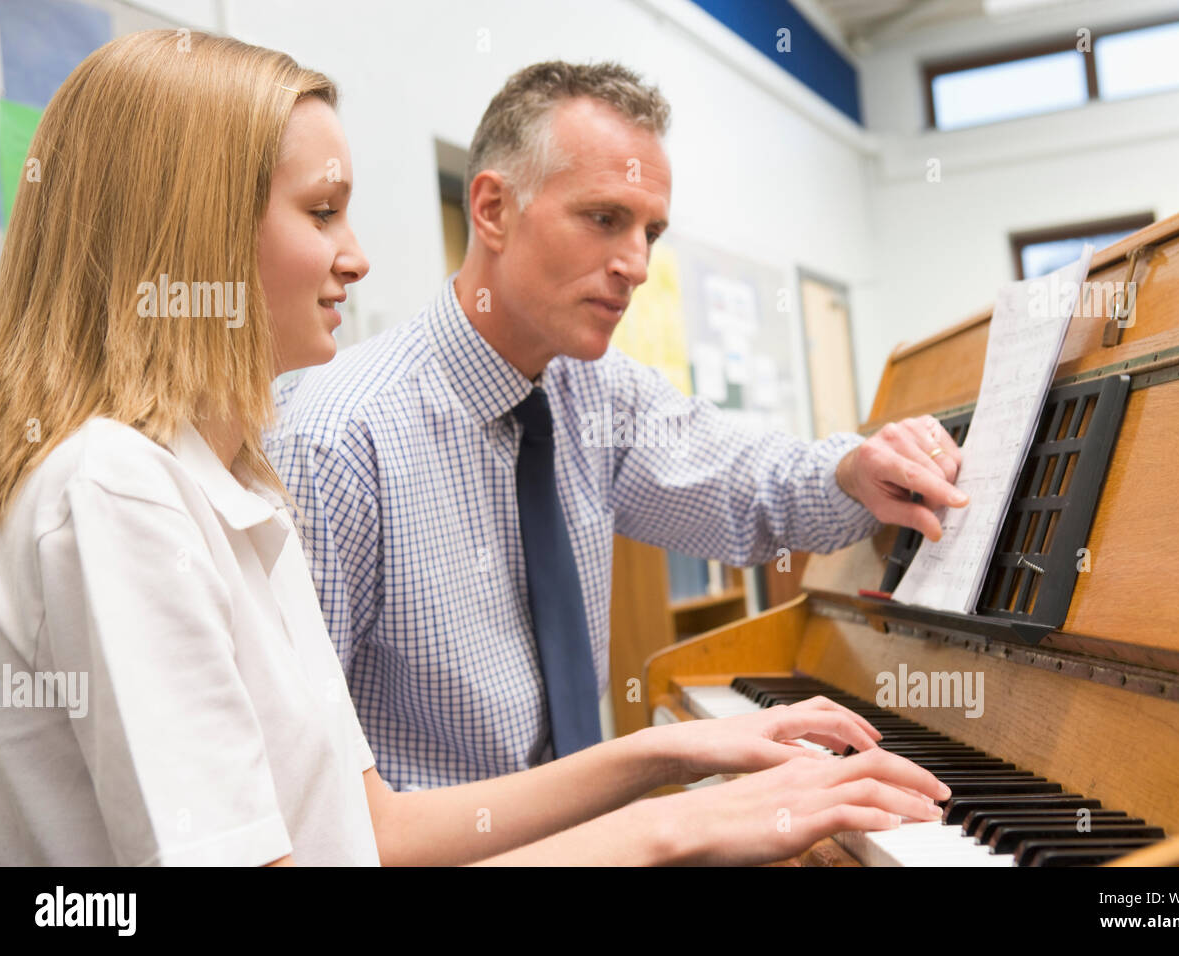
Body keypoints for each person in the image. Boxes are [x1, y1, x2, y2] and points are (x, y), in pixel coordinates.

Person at [0, 30, 949, 867]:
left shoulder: (238, 479)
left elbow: (365, 829)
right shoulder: (180, 479)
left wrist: (676, 760)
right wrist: (676, 827)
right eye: (322, 213)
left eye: (649, 231)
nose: (636, 266)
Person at [270, 61, 968, 791]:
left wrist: (852, 469)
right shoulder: (336, 439)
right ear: (493, 210)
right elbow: (303, 782)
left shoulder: (596, 391)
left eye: (651, 232)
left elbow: (747, 484)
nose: (636, 265)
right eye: (605, 219)